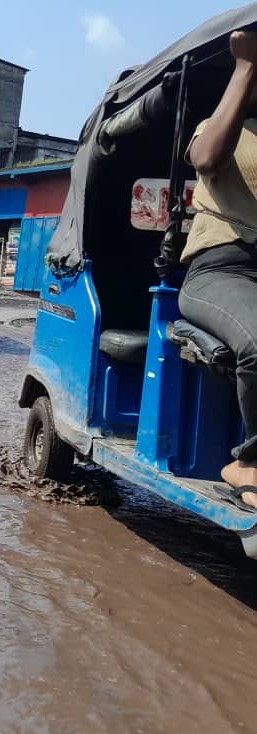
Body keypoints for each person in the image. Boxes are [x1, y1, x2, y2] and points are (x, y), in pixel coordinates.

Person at [177, 28, 257, 509]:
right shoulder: (221, 129)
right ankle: (249, 461)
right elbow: (206, 160)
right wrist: (245, 66)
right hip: (220, 271)